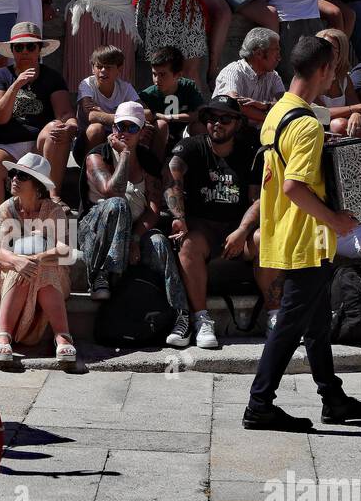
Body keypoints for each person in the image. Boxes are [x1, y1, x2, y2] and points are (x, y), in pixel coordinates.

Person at [244, 35, 361, 431]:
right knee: (291, 324)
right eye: (333, 71)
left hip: (286, 231)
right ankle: (259, 405)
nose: (334, 79)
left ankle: (333, 397)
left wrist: (354, 108)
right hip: (306, 235)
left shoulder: (281, 110)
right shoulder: (305, 124)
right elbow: (294, 185)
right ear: (324, 70)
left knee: (316, 322)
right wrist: (337, 219)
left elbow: (307, 131)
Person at [163, 95, 265, 349]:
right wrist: (179, 217)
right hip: (204, 230)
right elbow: (172, 175)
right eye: (211, 118)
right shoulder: (192, 146)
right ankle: (201, 318)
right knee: (187, 244)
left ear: (238, 123)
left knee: (266, 237)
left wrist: (243, 230)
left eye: (225, 118)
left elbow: (259, 199)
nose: (216, 123)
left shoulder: (248, 152)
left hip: (237, 229)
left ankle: (275, 314)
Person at [80, 101, 185, 310]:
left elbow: (154, 209)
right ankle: (102, 273)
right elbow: (112, 191)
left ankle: (180, 313)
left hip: (133, 231)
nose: (124, 132)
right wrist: (125, 154)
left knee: (159, 241)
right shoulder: (98, 156)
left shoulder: (148, 161)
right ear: (113, 128)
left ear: (142, 131)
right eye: (120, 126)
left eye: (132, 127)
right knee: (118, 204)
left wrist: (135, 237)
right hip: (96, 234)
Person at [0, 153, 76, 365]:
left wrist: (35, 258)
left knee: (42, 266)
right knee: (23, 266)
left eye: (22, 176)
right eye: (14, 173)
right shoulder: (4, 210)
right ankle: (3, 334)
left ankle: (62, 336)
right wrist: (19, 261)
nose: (14, 178)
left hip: (50, 274)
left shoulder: (54, 210)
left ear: (37, 186)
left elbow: (64, 249)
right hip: (8, 273)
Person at [0, 22, 76, 212]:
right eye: (19, 47)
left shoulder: (52, 77)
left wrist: (71, 126)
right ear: (12, 50)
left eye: (30, 46)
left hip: (40, 144)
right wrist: (16, 85)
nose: (24, 51)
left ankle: (53, 197)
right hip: (8, 146)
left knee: (56, 127)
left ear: (39, 49)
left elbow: (65, 114)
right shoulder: (2, 75)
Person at [212, 27, 286, 125]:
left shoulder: (273, 76)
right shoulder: (233, 71)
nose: (279, 58)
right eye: (276, 52)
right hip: (229, 134)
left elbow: (284, 105)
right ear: (259, 53)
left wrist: (264, 106)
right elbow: (232, 103)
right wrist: (269, 118)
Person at [318, 27, 361, 140]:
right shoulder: (313, 77)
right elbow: (320, 113)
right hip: (318, 128)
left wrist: (356, 114)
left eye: (333, 49)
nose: (328, 52)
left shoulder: (344, 78)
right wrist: (356, 109)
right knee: (339, 124)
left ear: (341, 53)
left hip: (342, 129)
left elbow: (355, 105)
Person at [140, 45, 205, 151]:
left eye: (162, 74)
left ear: (178, 75)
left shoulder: (188, 87)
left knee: (200, 127)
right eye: (154, 74)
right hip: (158, 138)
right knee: (159, 126)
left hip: (184, 135)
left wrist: (169, 117)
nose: (157, 79)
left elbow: (201, 114)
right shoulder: (147, 95)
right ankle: (156, 164)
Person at [78, 44, 140, 152]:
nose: (103, 70)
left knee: (145, 130)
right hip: (86, 142)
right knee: (96, 129)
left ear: (119, 69)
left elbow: (146, 112)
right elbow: (92, 115)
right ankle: (90, 164)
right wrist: (126, 119)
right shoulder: (87, 84)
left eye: (108, 67)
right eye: (99, 66)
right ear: (93, 68)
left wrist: (105, 116)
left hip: (118, 134)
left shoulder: (125, 87)